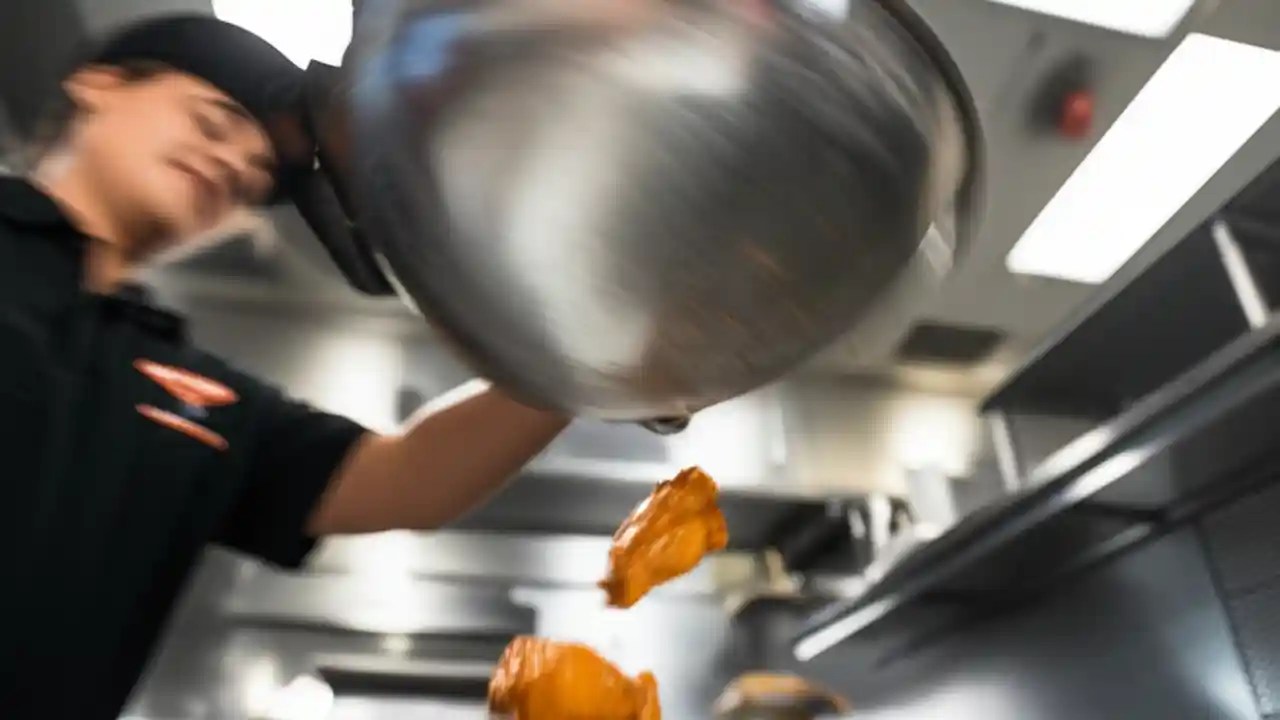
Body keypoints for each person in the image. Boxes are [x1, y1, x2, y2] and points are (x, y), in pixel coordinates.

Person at [0, 14, 571, 718]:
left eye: (253, 175)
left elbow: (406, 480)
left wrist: (588, 353)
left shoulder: (189, 394)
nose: (232, 164)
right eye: (212, 123)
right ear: (99, 86)